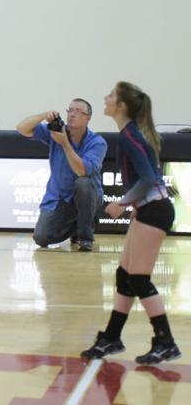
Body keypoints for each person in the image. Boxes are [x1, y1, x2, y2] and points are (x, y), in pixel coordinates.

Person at [81, 82, 181, 365]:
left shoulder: (129, 136)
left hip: (155, 210)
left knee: (138, 278)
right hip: (148, 209)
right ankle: (112, 337)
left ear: (122, 106)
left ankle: (166, 342)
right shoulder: (129, 134)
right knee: (125, 276)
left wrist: (122, 204)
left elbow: (149, 179)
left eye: (111, 95)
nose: (106, 97)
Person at [16, 100, 106, 251]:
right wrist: (43, 115)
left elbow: (82, 171)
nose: (72, 114)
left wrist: (65, 143)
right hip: (60, 198)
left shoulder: (97, 142)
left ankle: (85, 237)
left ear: (88, 118)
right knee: (41, 237)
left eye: (78, 111)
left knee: (83, 183)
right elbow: (21, 128)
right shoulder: (56, 132)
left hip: (88, 196)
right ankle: (77, 226)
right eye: (70, 110)